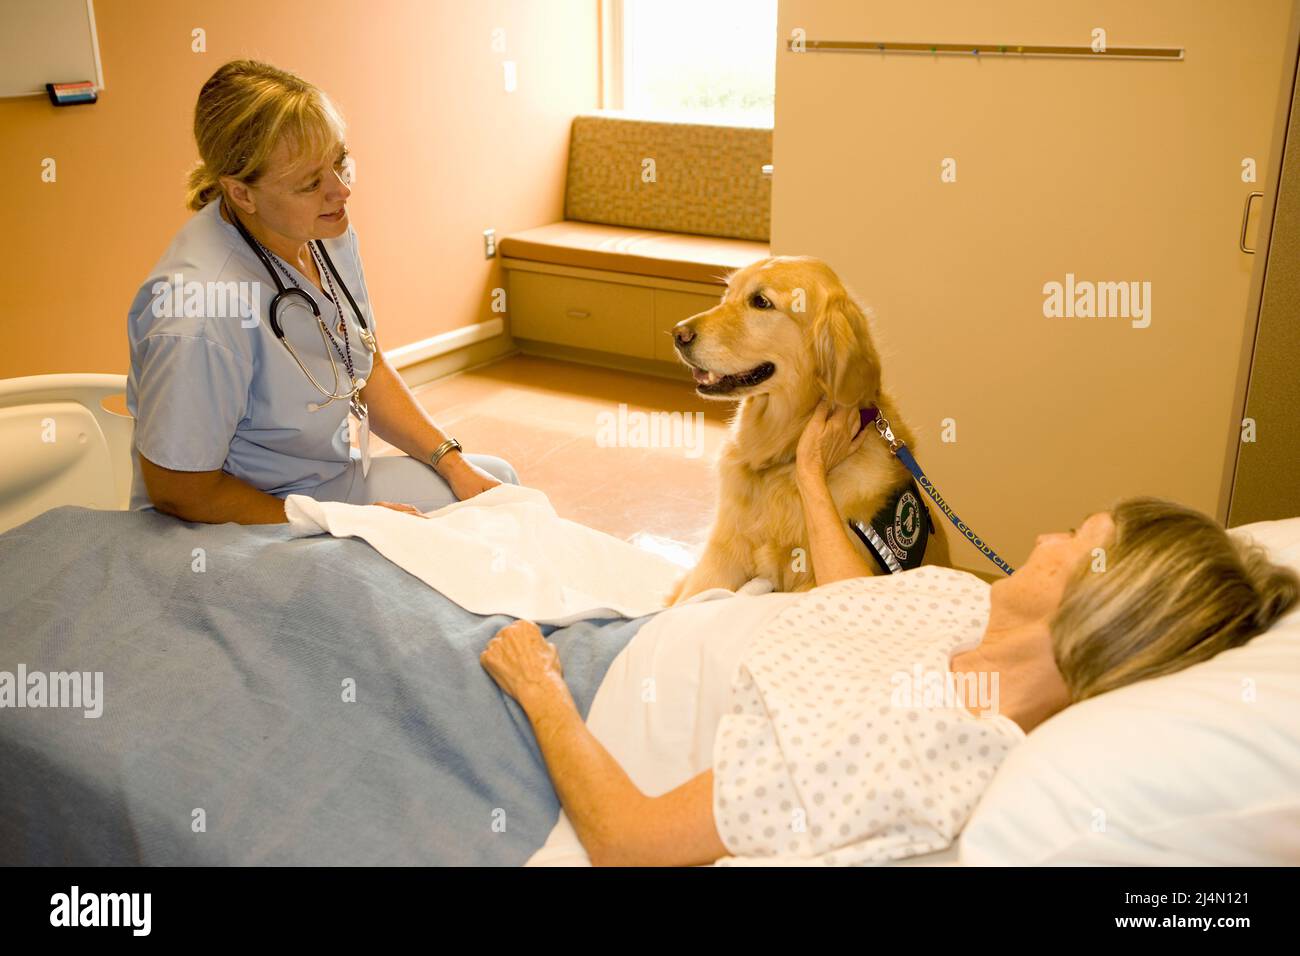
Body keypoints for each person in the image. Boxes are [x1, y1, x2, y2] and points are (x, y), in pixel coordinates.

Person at [481, 400, 1299, 866]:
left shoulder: (910, 751)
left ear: (1097, 609)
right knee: (476, 533)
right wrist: (810, 475)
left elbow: (630, 837)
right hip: (649, 634)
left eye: (1073, 541)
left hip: (596, 697)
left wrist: (540, 686)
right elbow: (859, 609)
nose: (1045, 540)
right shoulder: (968, 619)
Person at [126, 60, 517, 524]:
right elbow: (180, 492)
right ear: (241, 193)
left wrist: (452, 463)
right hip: (231, 522)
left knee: (497, 489)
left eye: (339, 161)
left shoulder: (318, 231)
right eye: (311, 183)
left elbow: (362, 365)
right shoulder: (199, 315)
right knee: (425, 554)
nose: (341, 190)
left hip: (322, 481)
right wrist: (342, 523)